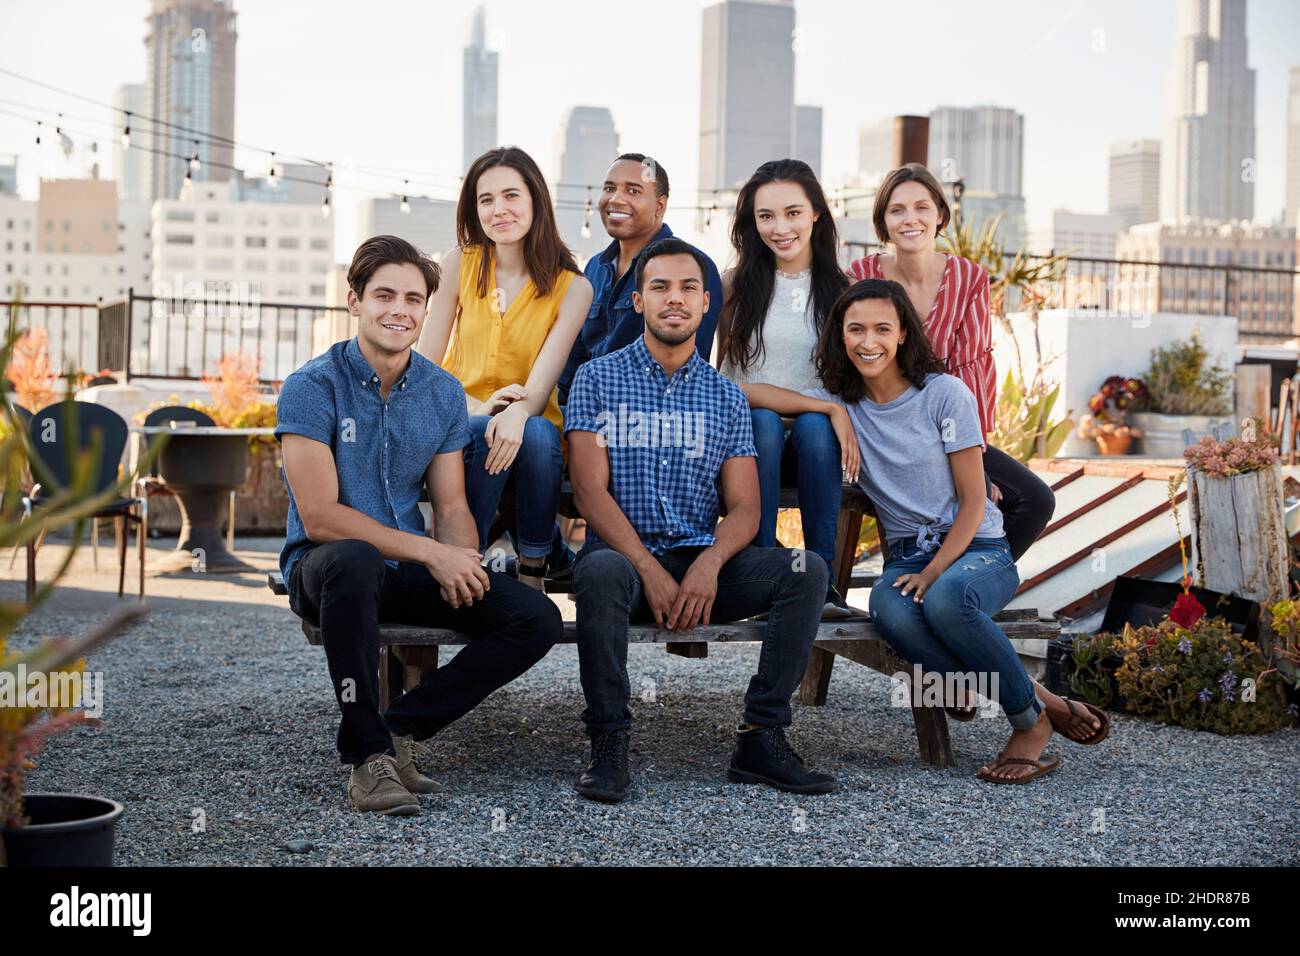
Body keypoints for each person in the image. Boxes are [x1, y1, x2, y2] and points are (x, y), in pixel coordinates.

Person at [752, 277, 1108, 785]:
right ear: (840, 337)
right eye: (855, 330)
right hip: (906, 558)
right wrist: (828, 409)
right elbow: (745, 391)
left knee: (944, 602)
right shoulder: (844, 401)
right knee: (888, 611)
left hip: (978, 551)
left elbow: (971, 504)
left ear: (902, 335)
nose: (867, 341)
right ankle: (1044, 699)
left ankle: (1029, 725)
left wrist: (937, 569)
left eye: (881, 328)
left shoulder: (943, 395)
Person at [278, 235, 563, 815]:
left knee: (535, 617)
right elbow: (322, 516)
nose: (399, 310)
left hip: (402, 569)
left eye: (413, 298)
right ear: (354, 300)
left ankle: (398, 733)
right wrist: (429, 553)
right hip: (326, 569)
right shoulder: (311, 387)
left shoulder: (440, 393)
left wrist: (461, 560)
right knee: (355, 557)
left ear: (427, 309)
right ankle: (365, 760)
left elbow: (453, 506)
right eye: (384, 295)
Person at [565, 237, 838, 803]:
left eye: (689, 288)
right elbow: (589, 492)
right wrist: (650, 569)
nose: (675, 298)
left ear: (706, 302)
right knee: (599, 572)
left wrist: (711, 563)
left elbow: (746, 508)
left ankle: (761, 738)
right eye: (660, 286)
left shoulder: (727, 398)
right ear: (638, 300)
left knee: (805, 568)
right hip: (624, 562)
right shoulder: (596, 379)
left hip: (698, 565)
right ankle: (609, 742)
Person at [846, 163, 1055, 561]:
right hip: (883, 429)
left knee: (1034, 499)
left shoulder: (969, 279)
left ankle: (976, 580)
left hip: (950, 430)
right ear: (883, 221)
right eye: (897, 210)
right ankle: (930, 582)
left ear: (940, 215)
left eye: (922, 208)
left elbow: (972, 368)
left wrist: (973, 458)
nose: (911, 219)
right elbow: (849, 356)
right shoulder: (860, 277)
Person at [418, 146, 593, 589]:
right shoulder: (459, 263)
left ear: (536, 199)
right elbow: (423, 369)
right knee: (482, 429)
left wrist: (515, 412)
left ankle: (531, 570)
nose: (499, 210)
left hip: (533, 431)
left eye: (511, 196)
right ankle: (464, 560)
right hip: (462, 419)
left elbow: (541, 384)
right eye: (486, 200)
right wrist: (481, 407)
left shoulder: (574, 288)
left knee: (533, 431)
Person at [717, 159, 854, 618]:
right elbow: (731, 387)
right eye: (766, 216)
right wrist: (824, 407)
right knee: (765, 421)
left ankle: (824, 586)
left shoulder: (843, 290)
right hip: (751, 441)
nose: (780, 228)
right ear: (752, 223)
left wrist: (829, 413)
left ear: (816, 212)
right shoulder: (732, 286)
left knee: (815, 428)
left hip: (817, 448)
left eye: (793, 213)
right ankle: (762, 577)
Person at [557, 153, 722, 407]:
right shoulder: (593, 268)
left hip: (646, 418)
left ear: (659, 206)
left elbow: (689, 370)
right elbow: (572, 359)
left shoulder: (696, 268)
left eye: (633, 191)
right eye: (610, 188)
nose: (616, 199)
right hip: (585, 410)